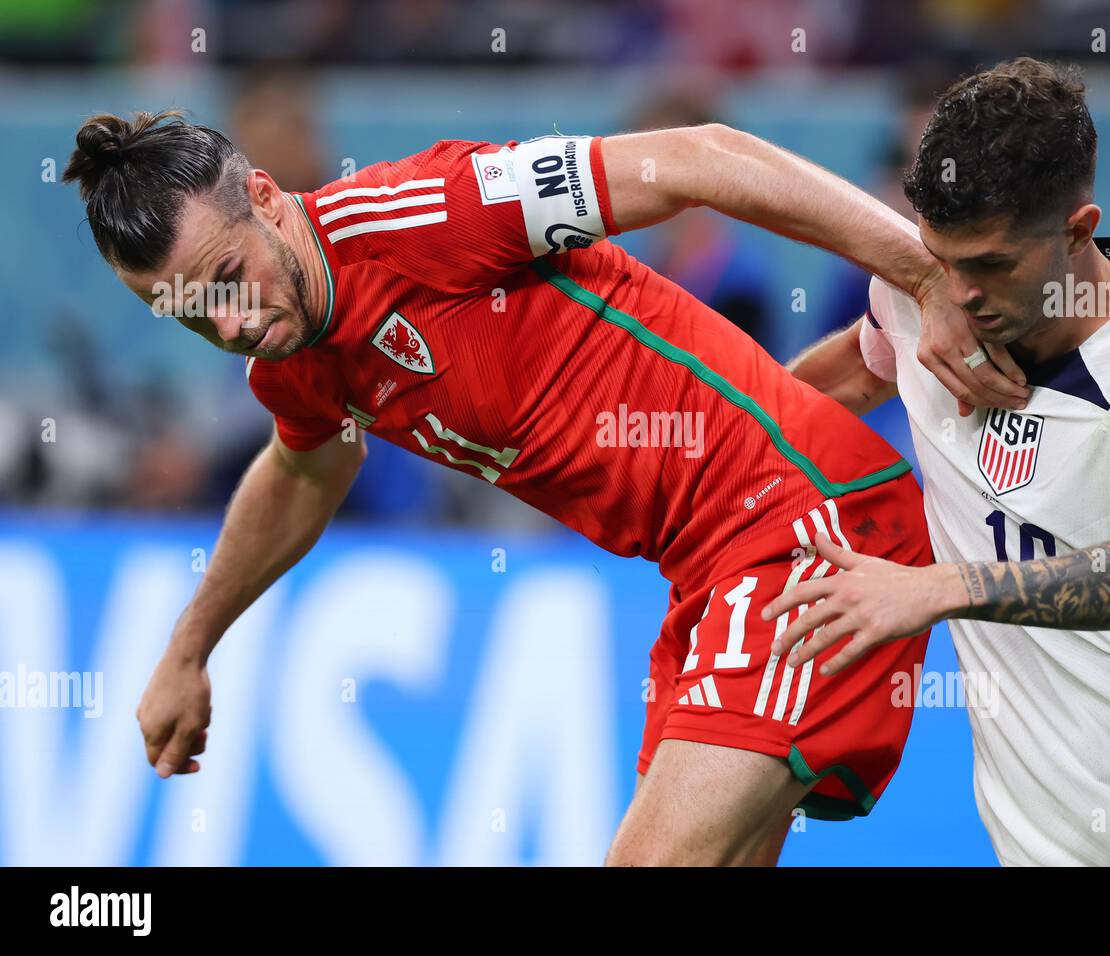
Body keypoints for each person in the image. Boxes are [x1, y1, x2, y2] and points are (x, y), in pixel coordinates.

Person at [63, 109, 1027, 865]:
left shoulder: (428, 210)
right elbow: (304, 470)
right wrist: (188, 649)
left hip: (797, 531)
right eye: (189, 313)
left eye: (228, 278)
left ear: (268, 200)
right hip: (706, 574)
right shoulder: (296, 364)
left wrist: (923, 274)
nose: (228, 324)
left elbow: (701, 156)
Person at [784, 57, 1110, 865]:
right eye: (938, 260)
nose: (957, 296)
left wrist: (938, 588)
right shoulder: (922, 297)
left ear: (1078, 230)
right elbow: (806, 401)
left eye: (990, 266)